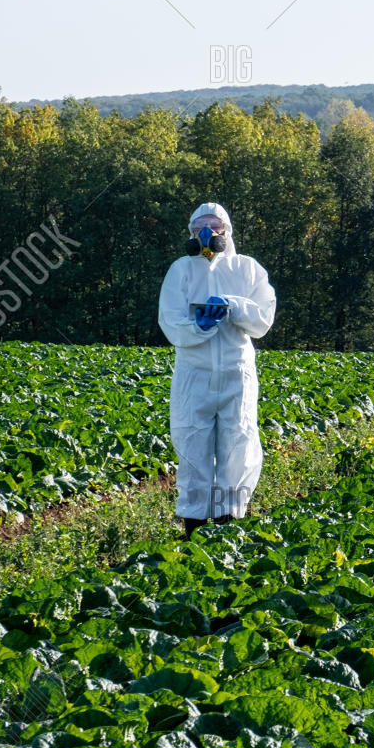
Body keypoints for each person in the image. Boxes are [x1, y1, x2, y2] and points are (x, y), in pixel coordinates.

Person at [157, 202, 277, 538]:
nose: (208, 235)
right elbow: (169, 321)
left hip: (236, 372)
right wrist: (199, 326)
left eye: (215, 227)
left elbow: (263, 320)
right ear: (191, 232)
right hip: (194, 374)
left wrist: (234, 306)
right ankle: (194, 527)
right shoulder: (181, 270)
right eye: (200, 229)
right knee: (192, 443)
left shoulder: (248, 269)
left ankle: (229, 522)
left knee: (238, 443)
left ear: (228, 231)